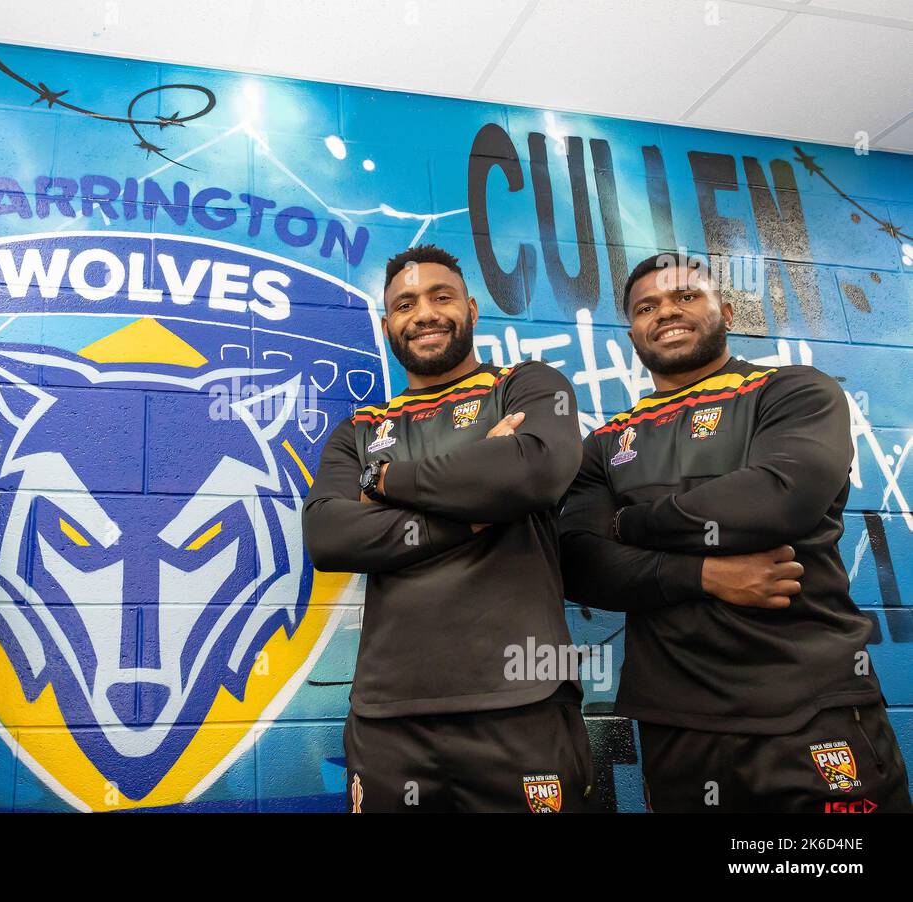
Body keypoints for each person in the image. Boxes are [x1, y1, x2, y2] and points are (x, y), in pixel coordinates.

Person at [559, 252, 911, 813]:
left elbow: (778, 500)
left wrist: (634, 523)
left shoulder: (793, 392)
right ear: (631, 332)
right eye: (646, 307)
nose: (666, 312)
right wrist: (703, 574)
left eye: (685, 296)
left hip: (809, 709)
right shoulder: (605, 444)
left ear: (724, 309)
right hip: (676, 723)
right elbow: (579, 563)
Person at [302, 244, 591, 813]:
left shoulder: (528, 385)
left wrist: (385, 482)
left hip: (522, 703)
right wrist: (476, 510)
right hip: (389, 716)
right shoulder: (360, 428)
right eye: (405, 304)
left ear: (472, 309)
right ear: (388, 325)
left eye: (441, 297)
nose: (425, 313)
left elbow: (533, 473)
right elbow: (329, 537)